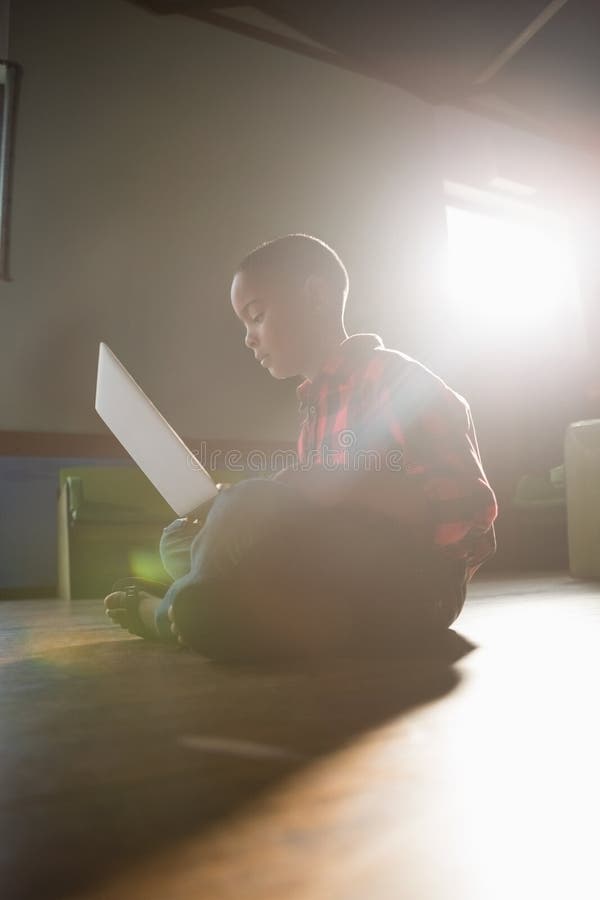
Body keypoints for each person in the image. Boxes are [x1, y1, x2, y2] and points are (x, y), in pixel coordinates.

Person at [104, 234, 497, 659]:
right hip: (337, 570)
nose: (248, 338)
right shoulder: (316, 404)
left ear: (316, 296)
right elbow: (312, 511)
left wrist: (314, 490)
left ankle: (181, 607)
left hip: (417, 584)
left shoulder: (399, 380)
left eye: (255, 316)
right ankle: (207, 596)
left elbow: (465, 506)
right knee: (180, 537)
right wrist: (250, 507)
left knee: (247, 509)